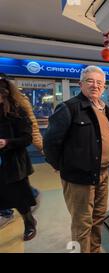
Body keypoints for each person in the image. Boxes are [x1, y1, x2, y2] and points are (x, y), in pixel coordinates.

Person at [44, 65, 109, 253]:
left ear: (104, 87)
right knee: (82, 223)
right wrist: (61, 165)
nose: (95, 86)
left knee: (98, 217)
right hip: (79, 177)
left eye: (100, 83)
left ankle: (94, 250)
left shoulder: (107, 110)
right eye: (90, 81)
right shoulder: (69, 108)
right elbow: (50, 142)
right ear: (80, 84)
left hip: (102, 174)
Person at [0, 74, 42, 229]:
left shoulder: (18, 109)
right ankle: (6, 212)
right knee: (4, 193)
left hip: (14, 163)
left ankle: (29, 222)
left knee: (20, 197)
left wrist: (6, 142)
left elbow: (29, 136)